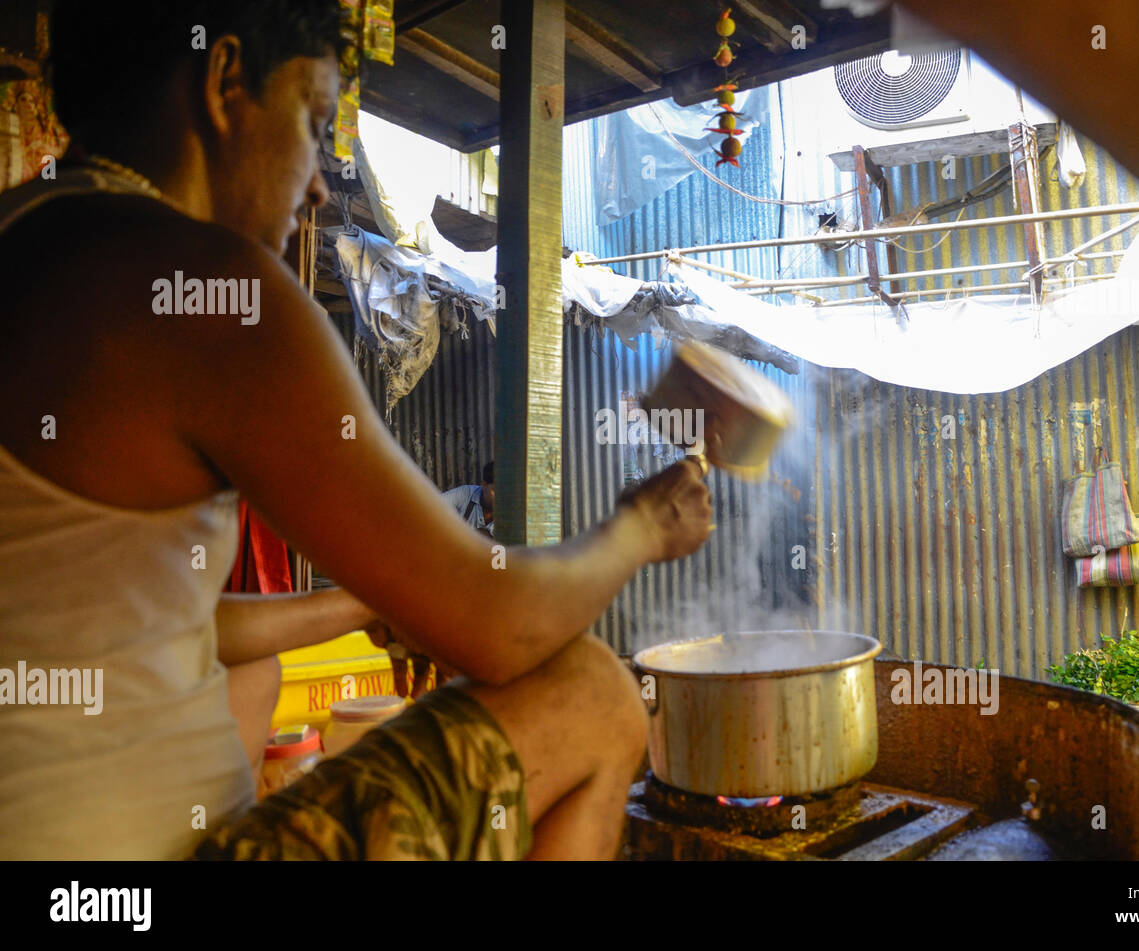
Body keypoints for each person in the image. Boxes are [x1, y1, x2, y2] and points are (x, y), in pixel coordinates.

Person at [0, 0, 712, 860]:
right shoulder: (208, 289)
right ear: (226, 81)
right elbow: (502, 627)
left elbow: (168, 624)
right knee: (590, 689)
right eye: (309, 121)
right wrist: (641, 526)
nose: (313, 184)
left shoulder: (25, 234)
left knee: (253, 672)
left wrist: (371, 598)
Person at [443, 461, 494, 537]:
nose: (502, 497)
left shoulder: (514, 515)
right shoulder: (466, 494)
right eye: (496, 490)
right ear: (484, 485)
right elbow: (430, 506)